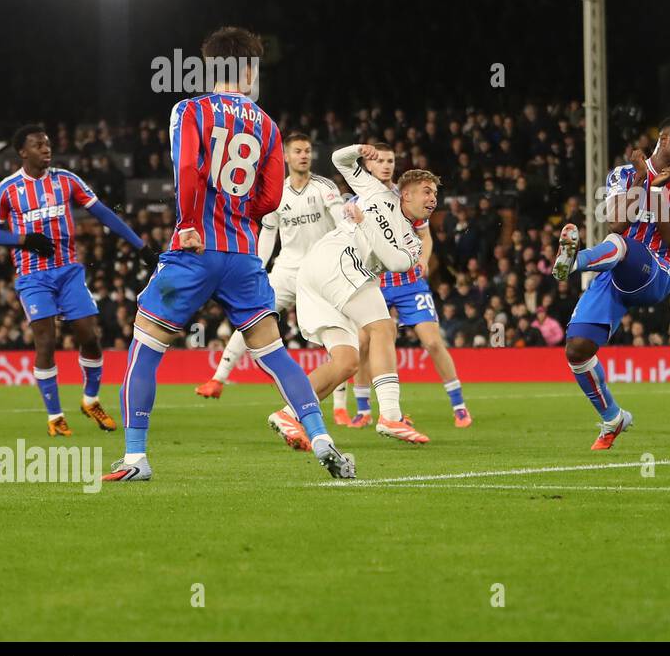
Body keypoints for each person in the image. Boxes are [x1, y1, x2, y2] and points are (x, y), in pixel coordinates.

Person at [109, 26, 354, 481]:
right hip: (243, 255)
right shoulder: (268, 125)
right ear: (246, 70)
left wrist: (188, 225)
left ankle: (136, 457)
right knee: (276, 354)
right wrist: (242, 214)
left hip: (195, 249)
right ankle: (320, 435)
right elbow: (270, 198)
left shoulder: (189, 110)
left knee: (145, 348)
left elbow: (186, 170)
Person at [268, 144, 435, 449]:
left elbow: (397, 263)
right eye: (427, 191)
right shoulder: (376, 190)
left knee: (346, 362)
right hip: (335, 259)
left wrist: (365, 226)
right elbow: (339, 160)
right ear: (406, 193)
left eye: (435, 194)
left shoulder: (413, 242)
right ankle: (391, 416)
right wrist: (360, 149)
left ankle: (288, 414)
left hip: (324, 275)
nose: (433, 199)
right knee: (383, 327)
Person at [553, 117, 670, 450]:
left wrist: (659, 193)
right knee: (577, 350)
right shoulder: (622, 174)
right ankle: (613, 418)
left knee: (619, 245)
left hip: (658, 272)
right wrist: (640, 177)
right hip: (616, 272)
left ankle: (573, 262)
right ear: (663, 140)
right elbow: (618, 221)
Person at [0, 124, 155, 437]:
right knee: (46, 341)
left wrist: (140, 246)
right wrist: (23, 240)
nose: (46, 149)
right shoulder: (8, 189)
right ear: (22, 152)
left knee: (90, 337)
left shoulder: (67, 180)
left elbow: (105, 215)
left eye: (47, 144)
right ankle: (55, 416)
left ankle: (90, 399)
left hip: (68, 270)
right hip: (32, 275)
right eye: (38, 145)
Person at [194, 132, 347, 418]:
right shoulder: (278, 192)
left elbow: (341, 224)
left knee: (337, 330)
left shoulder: (325, 187)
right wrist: (258, 266)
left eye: (307, 150)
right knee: (254, 317)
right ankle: (218, 378)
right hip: (286, 270)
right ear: (287, 157)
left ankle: (340, 407)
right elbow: (268, 232)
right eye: (298, 151)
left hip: (322, 270)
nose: (304, 155)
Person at [350, 143, 471, 430]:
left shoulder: (408, 196)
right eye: (380, 161)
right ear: (369, 166)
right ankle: (364, 408)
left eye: (391, 160)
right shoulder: (359, 197)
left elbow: (425, 236)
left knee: (432, 341)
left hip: (408, 282)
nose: (386, 165)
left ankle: (459, 406)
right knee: (364, 343)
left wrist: (424, 259)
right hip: (374, 282)